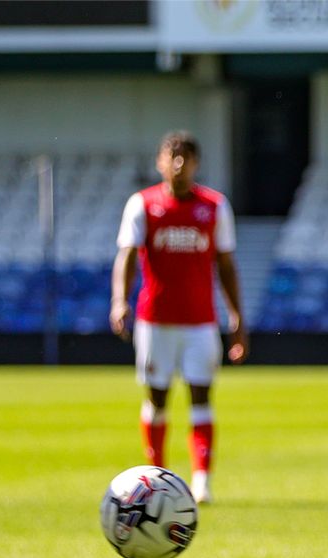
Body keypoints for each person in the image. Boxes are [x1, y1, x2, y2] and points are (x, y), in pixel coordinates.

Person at [110, 131, 247, 504]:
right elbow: (126, 255)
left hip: (201, 321)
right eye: (172, 156)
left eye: (186, 156)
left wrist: (237, 318)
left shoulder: (215, 207)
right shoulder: (142, 204)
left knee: (201, 394)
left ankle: (202, 481)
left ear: (197, 163)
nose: (179, 164)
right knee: (157, 398)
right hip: (154, 321)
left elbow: (226, 265)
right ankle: (157, 477)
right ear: (159, 162)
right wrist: (120, 300)